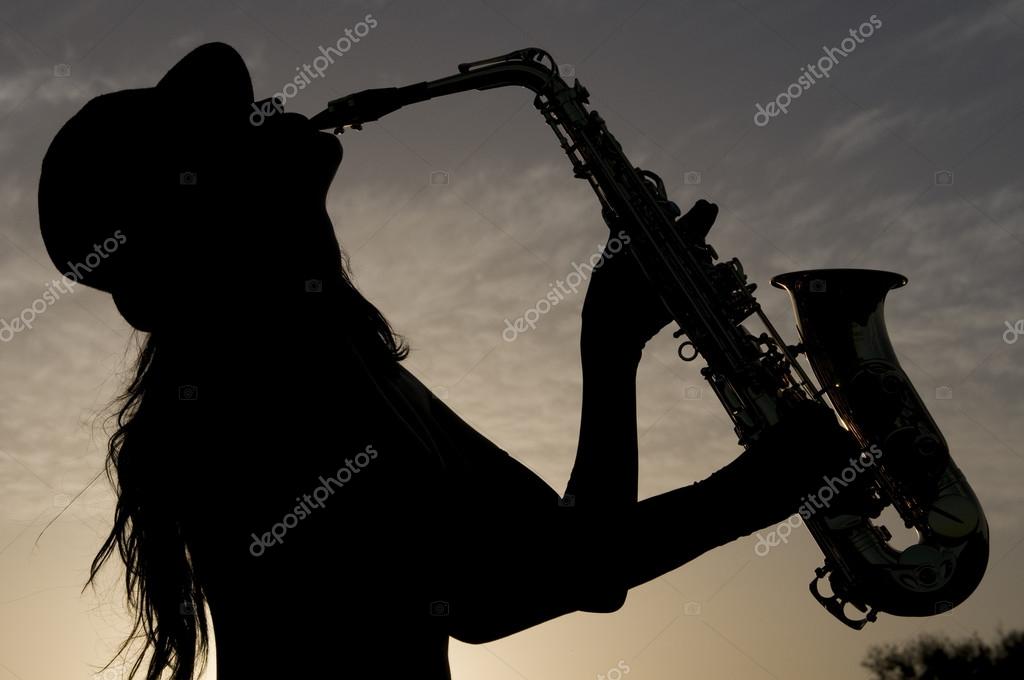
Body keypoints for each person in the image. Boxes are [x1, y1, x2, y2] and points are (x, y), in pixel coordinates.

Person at [38, 43, 858, 680]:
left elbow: (573, 557)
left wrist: (611, 345)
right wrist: (752, 493)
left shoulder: (348, 365)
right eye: (224, 129)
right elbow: (495, 592)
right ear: (205, 215)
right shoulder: (249, 393)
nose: (269, 111)